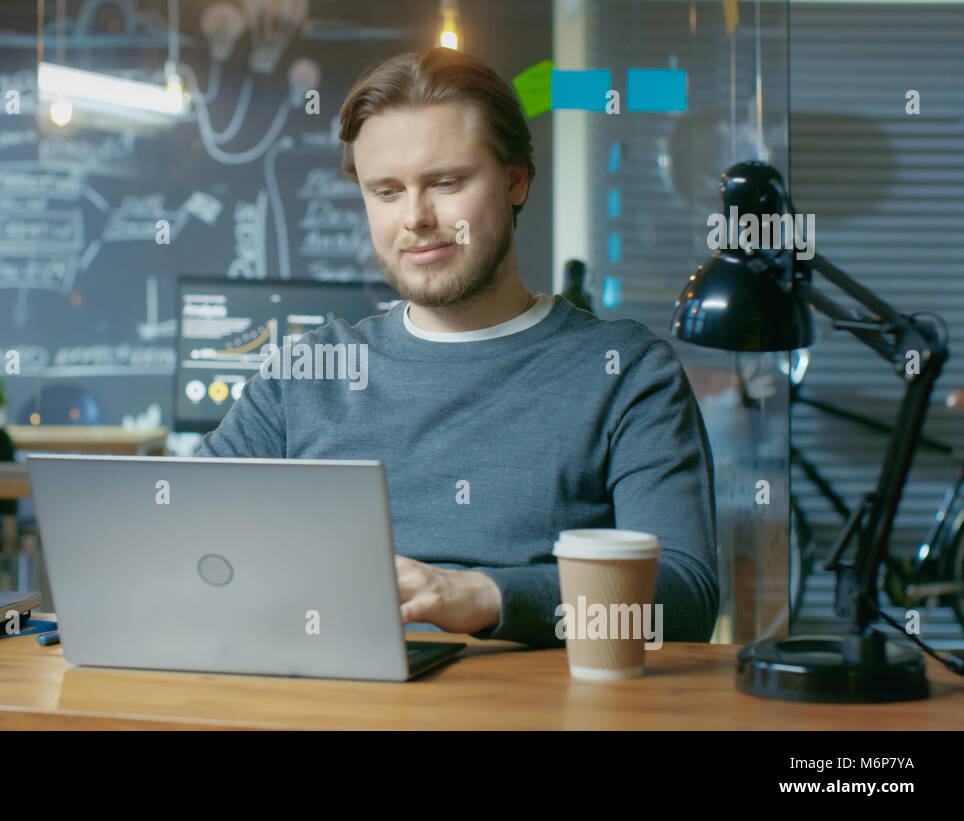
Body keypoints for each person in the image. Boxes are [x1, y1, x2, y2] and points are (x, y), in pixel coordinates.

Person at [196, 47, 719, 647]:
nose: (415, 218)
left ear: (515, 181)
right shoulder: (305, 374)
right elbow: (180, 531)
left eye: (445, 183)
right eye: (386, 192)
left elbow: (683, 597)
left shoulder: (624, 373)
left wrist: (480, 596)